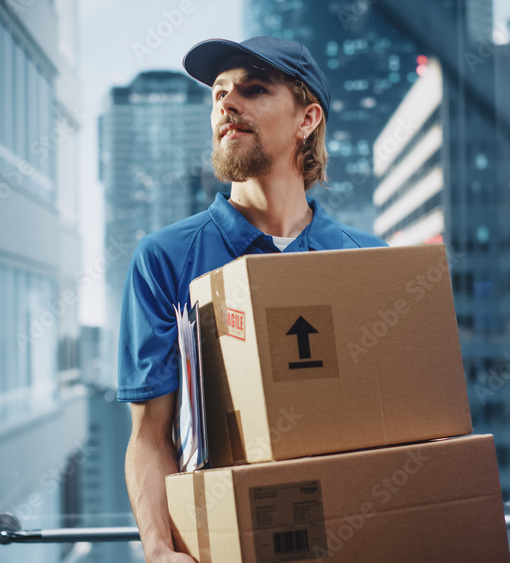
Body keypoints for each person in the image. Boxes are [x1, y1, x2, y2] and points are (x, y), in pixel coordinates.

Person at [118, 36, 386, 561]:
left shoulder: (367, 262)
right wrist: (157, 548)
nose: (226, 103)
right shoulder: (165, 258)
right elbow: (150, 436)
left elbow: (397, 427)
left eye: (254, 89)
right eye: (219, 93)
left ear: (307, 120)